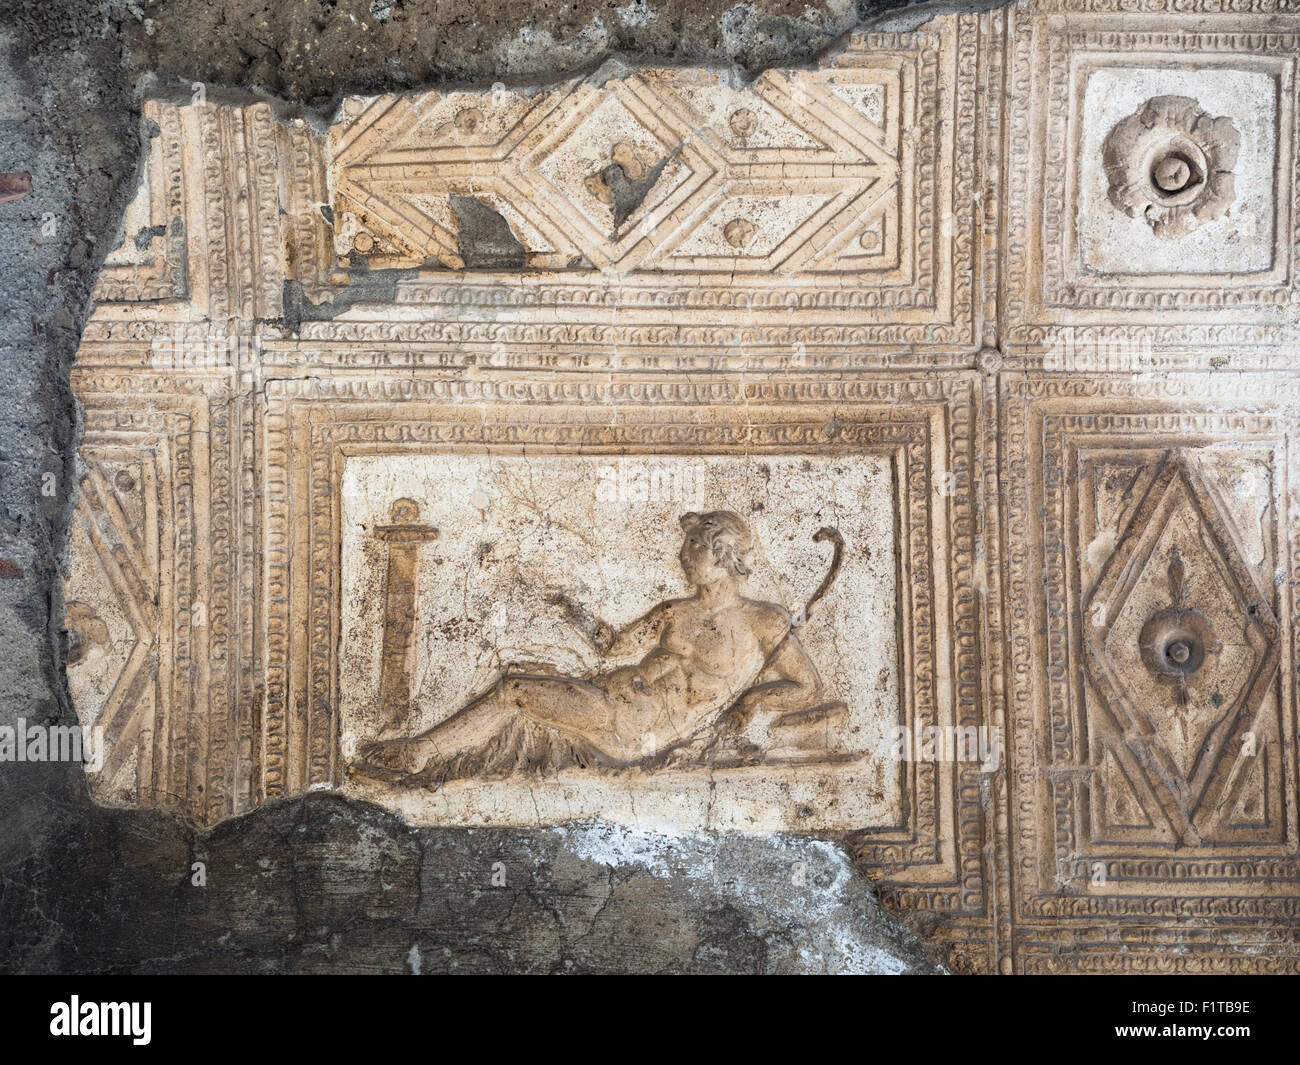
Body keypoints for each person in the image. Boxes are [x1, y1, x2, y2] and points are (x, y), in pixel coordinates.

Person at [352, 510, 828, 784]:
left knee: (515, 688)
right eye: (686, 548)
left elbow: (806, 686)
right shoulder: (673, 612)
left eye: (694, 548)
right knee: (521, 675)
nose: (683, 556)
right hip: (611, 699)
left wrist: (749, 704)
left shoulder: (763, 620)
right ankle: (423, 751)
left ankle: (419, 753)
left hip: (640, 727)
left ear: (723, 556)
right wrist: (570, 607)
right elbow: (615, 646)